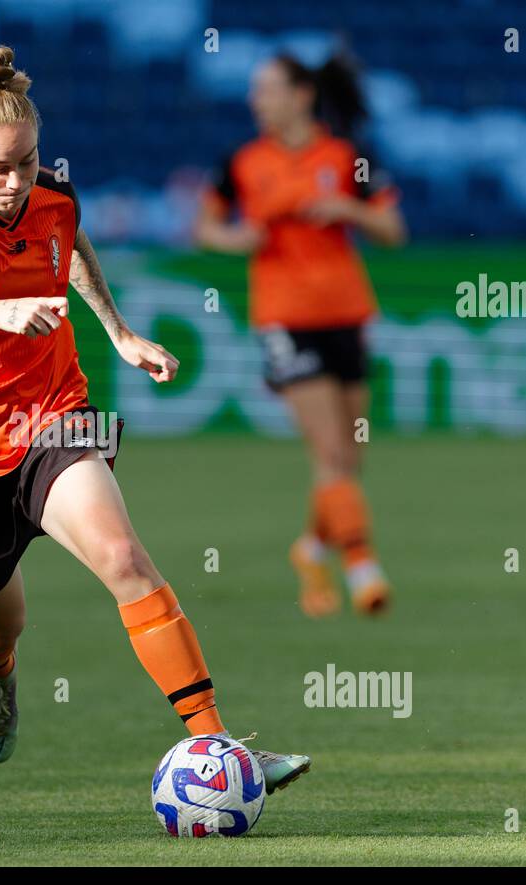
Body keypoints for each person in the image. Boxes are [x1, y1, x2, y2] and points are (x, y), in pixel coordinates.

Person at [0, 45, 309, 794]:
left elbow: (68, 247)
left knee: (125, 559)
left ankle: (221, 748)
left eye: (27, 164)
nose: (14, 184)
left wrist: (120, 332)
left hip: (51, 416)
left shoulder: (54, 196)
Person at [195, 51, 407, 618]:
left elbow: (392, 229)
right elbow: (205, 227)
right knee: (333, 452)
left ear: (301, 95)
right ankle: (362, 566)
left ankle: (311, 548)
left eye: (265, 88)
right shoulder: (242, 162)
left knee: (346, 464)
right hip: (285, 319)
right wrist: (235, 239)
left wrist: (345, 208)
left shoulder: (345, 157)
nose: (254, 99)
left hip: (347, 314)